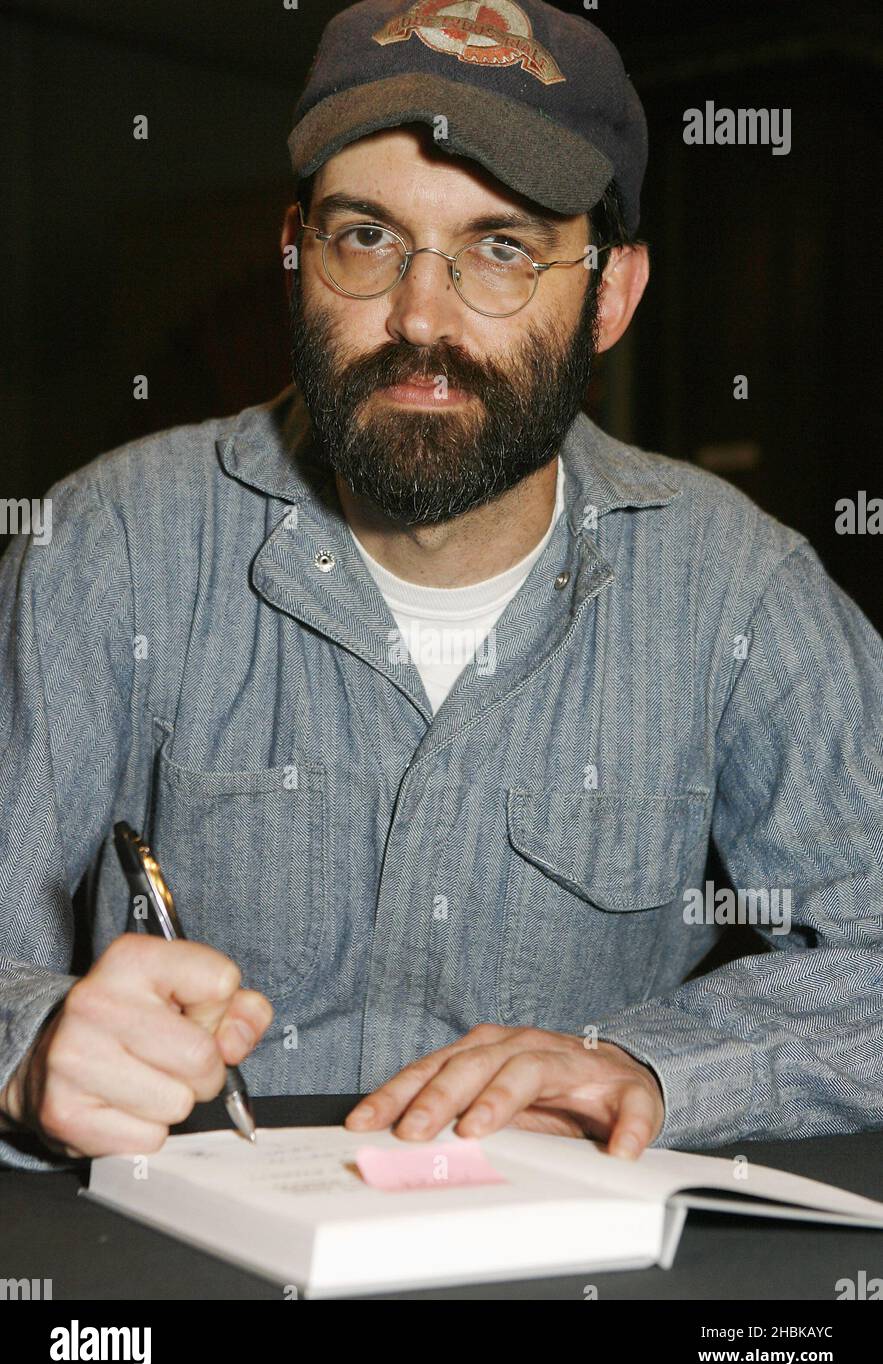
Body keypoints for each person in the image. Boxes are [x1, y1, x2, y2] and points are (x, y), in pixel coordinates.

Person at [1, 0, 881, 1172]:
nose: (420, 317)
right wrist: (33, 1043)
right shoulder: (101, 548)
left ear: (610, 294)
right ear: (294, 251)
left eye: (502, 249)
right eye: (365, 237)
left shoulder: (740, 590)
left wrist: (654, 1069)